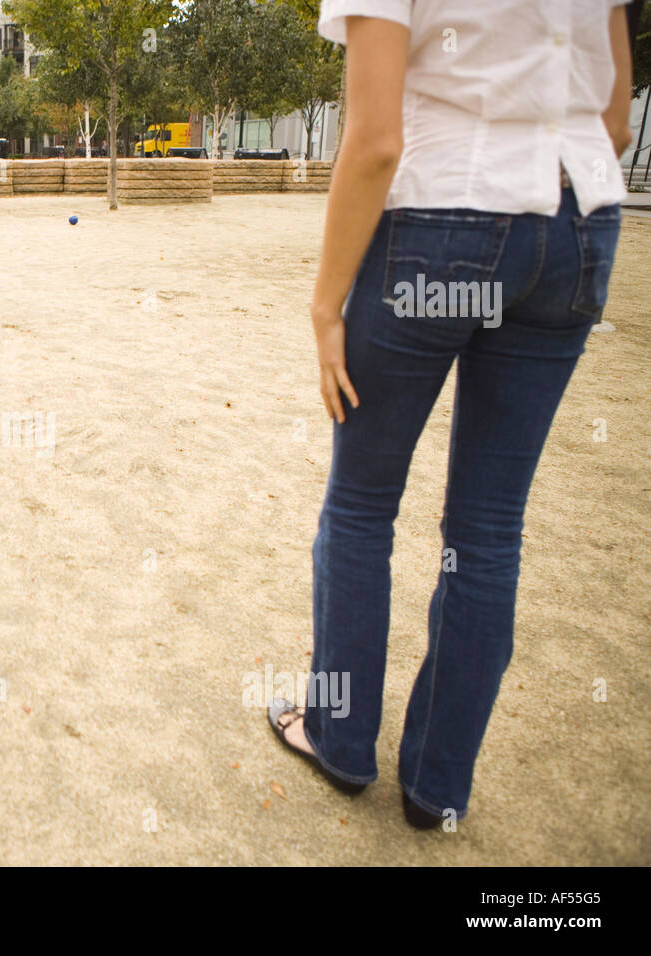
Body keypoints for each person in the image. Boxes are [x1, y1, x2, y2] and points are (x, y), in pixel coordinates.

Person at [267, 0, 633, 827]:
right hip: (578, 224)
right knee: (490, 530)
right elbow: (613, 120)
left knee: (361, 506)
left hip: (438, 218)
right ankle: (436, 787)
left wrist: (326, 306)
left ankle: (342, 737)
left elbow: (376, 140)